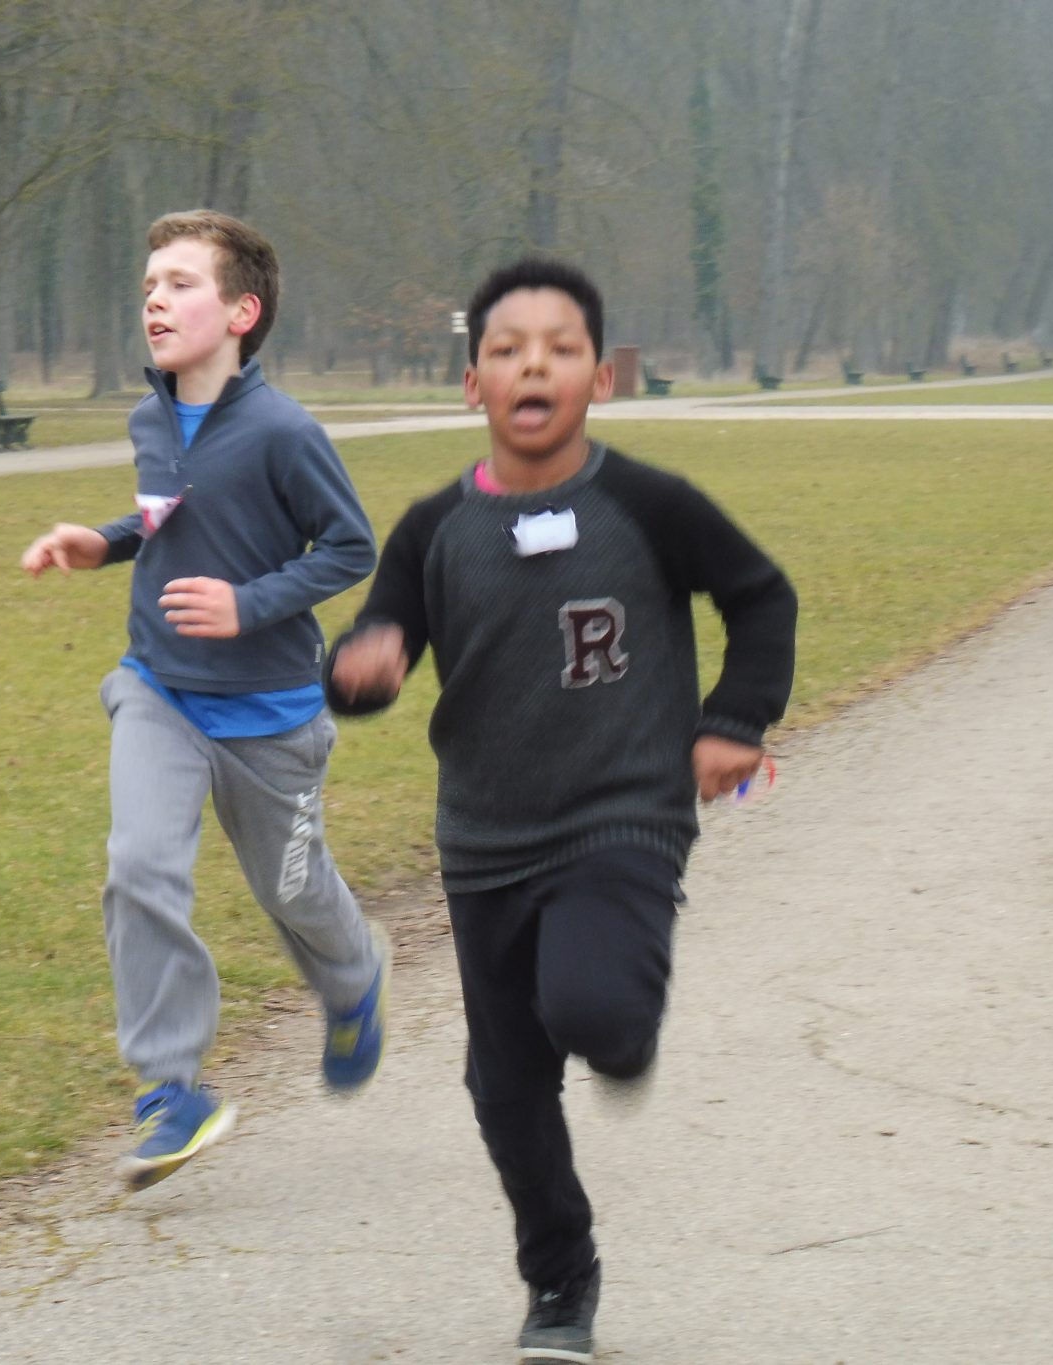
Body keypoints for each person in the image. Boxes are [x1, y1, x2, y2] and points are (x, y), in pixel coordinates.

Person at [323, 257, 797, 1364]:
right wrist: (362, 667)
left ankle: (618, 1029)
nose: (531, 362)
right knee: (503, 1085)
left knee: (591, 1008)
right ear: (470, 386)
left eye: (559, 346)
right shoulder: (433, 527)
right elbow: (370, 641)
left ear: (600, 377)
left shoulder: (647, 504)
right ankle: (559, 1280)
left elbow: (758, 595)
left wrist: (734, 718)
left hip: (621, 812)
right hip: (484, 837)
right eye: (504, 348)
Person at [20, 209, 389, 1191]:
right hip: (159, 693)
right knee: (138, 865)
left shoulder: (282, 432)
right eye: (148, 284)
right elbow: (168, 518)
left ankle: (353, 981)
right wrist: (104, 542)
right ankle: (169, 1088)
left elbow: (350, 548)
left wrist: (248, 605)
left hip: (270, 717)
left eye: (179, 282)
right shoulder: (150, 418)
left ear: (239, 312)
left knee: (293, 891)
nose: (154, 298)